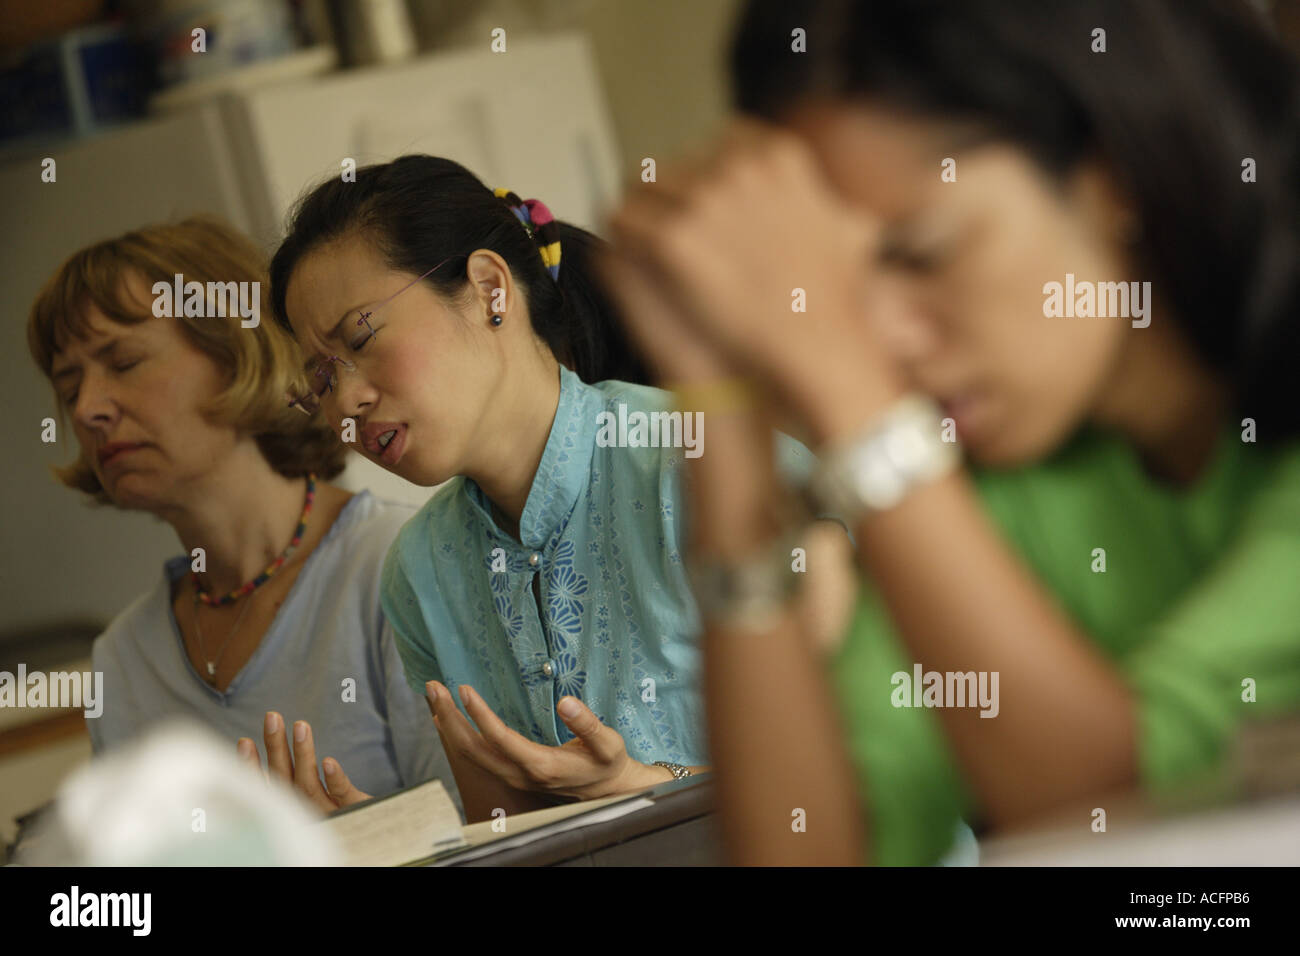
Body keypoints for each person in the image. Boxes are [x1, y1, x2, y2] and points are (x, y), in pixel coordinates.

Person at [596, 0, 1300, 864]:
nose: (885, 338)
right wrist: (716, 398)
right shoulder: (1019, 478)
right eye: (845, 284)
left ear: (1108, 173)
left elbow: (1113, 811)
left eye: (923, 253)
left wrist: (859, 408)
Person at [263, 154, 839, 823]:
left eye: (361, 335)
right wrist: (391, 839)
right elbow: (508, 835)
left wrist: (650, 782)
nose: (348, 403)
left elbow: (874, 755)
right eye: (323, 379)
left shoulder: (696, 463)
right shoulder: (419, 571)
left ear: (488, 289)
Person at [26, 216, 460, 815]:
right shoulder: (123, 659)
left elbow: (485, 845)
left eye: (123, 363)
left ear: (237, 351)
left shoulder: (400, 565)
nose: (90, 409)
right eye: (69, 386)